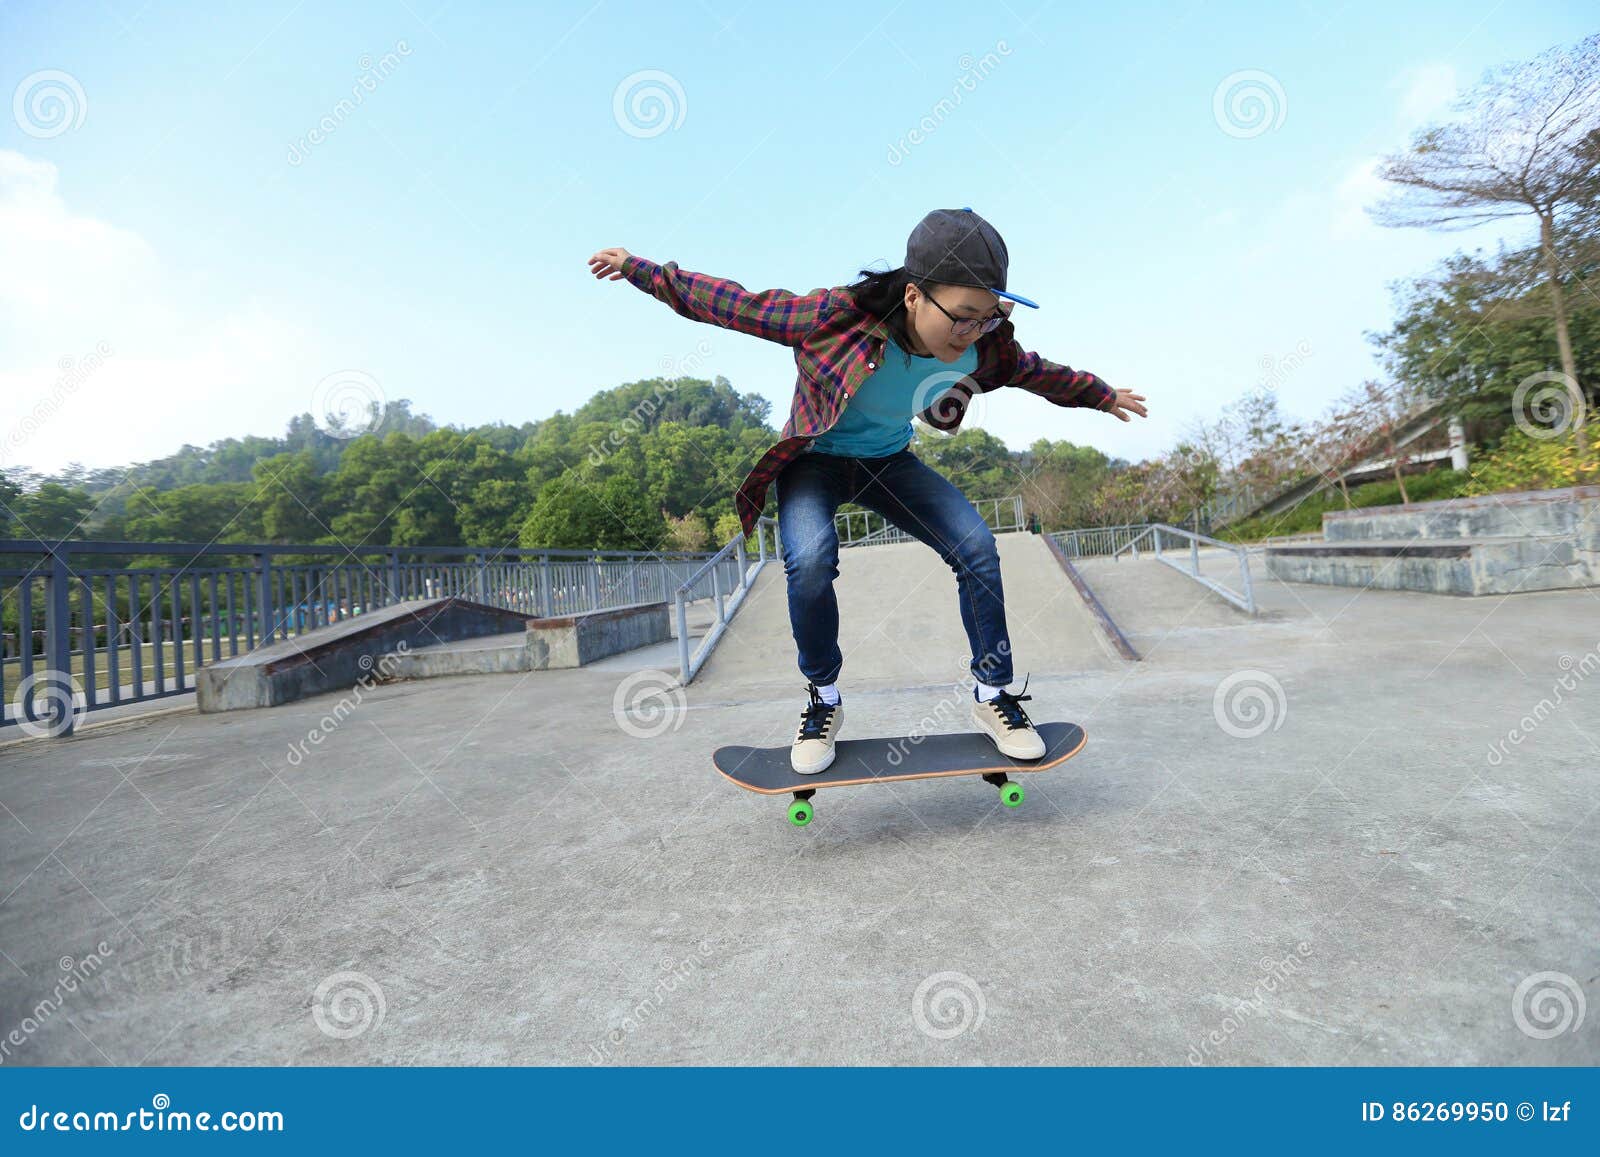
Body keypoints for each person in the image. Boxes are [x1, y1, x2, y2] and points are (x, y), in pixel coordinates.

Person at [588, 208, 1148, 774]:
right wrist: (641, 270)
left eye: (987, 317)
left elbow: (1040, 372)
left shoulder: (988, 346)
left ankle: (993, 694)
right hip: (815, 462)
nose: (973, 332)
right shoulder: (835, 318)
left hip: (888, 463)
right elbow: (733, 304)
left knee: (976, 547)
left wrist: (1102, 395)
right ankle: (823, 699)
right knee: (808, 560)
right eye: (962, 317)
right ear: (913, 297)